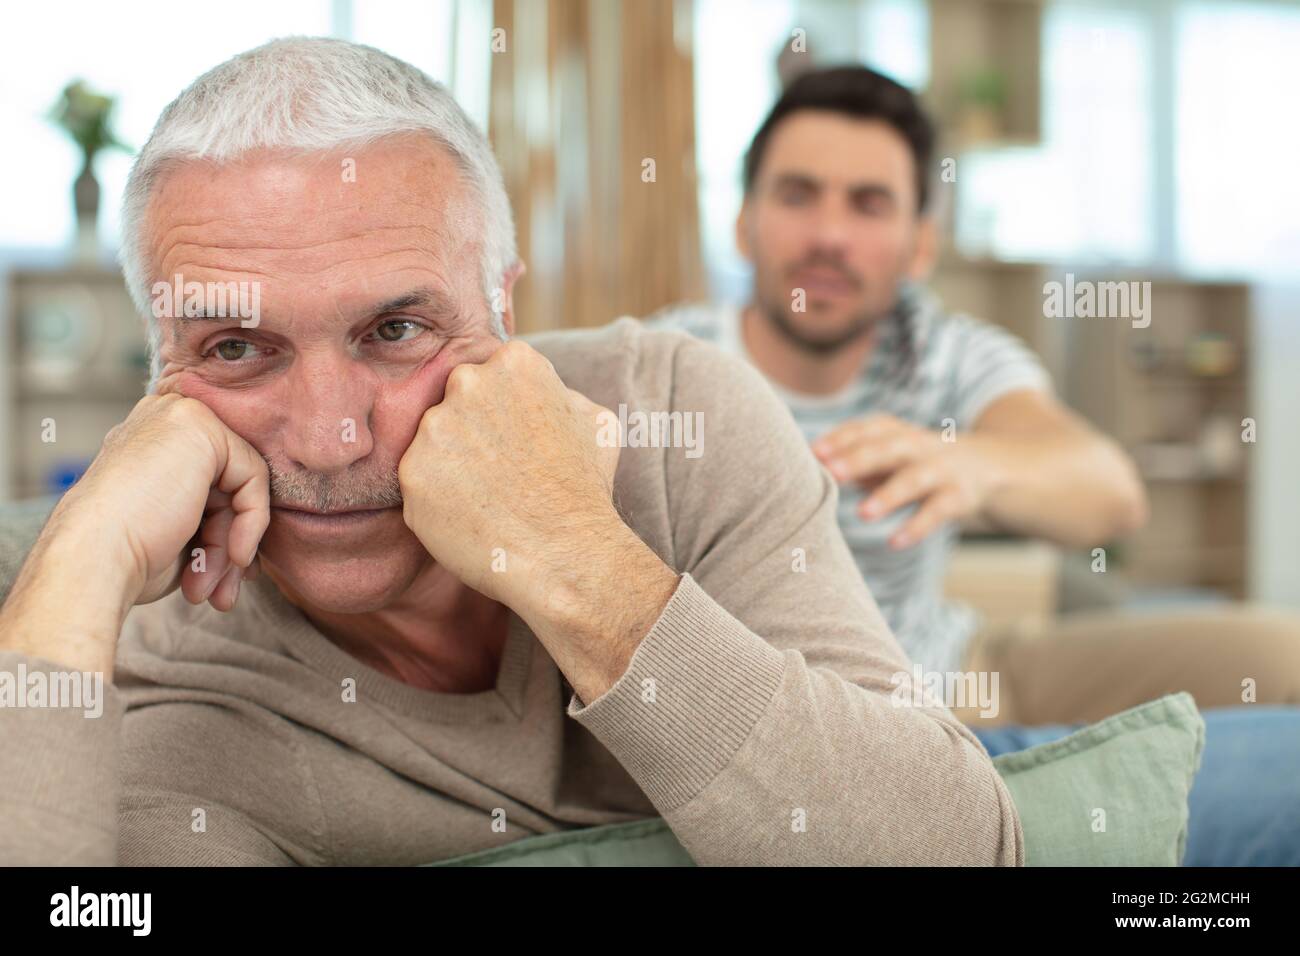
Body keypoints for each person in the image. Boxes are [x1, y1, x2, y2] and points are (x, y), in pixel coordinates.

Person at [0, 39, 1022, 866]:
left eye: (394, 331)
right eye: (235, 348)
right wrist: (77, 556)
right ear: (155, 377)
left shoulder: (675, 409)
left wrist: (572, 555)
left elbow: (964, 851)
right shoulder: (182, 706)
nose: (329, 435)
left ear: (505, 310)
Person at [648, 64, 1300, 865]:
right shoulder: (665, 364)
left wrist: (974, 463)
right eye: (797, 194)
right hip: (772, 721)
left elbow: (1110, 494)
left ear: (921, 245)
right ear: (745, 222)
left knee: (1284, 654)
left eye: (870, 203)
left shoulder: (952, 356)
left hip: (951, 677)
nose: (829, 235)